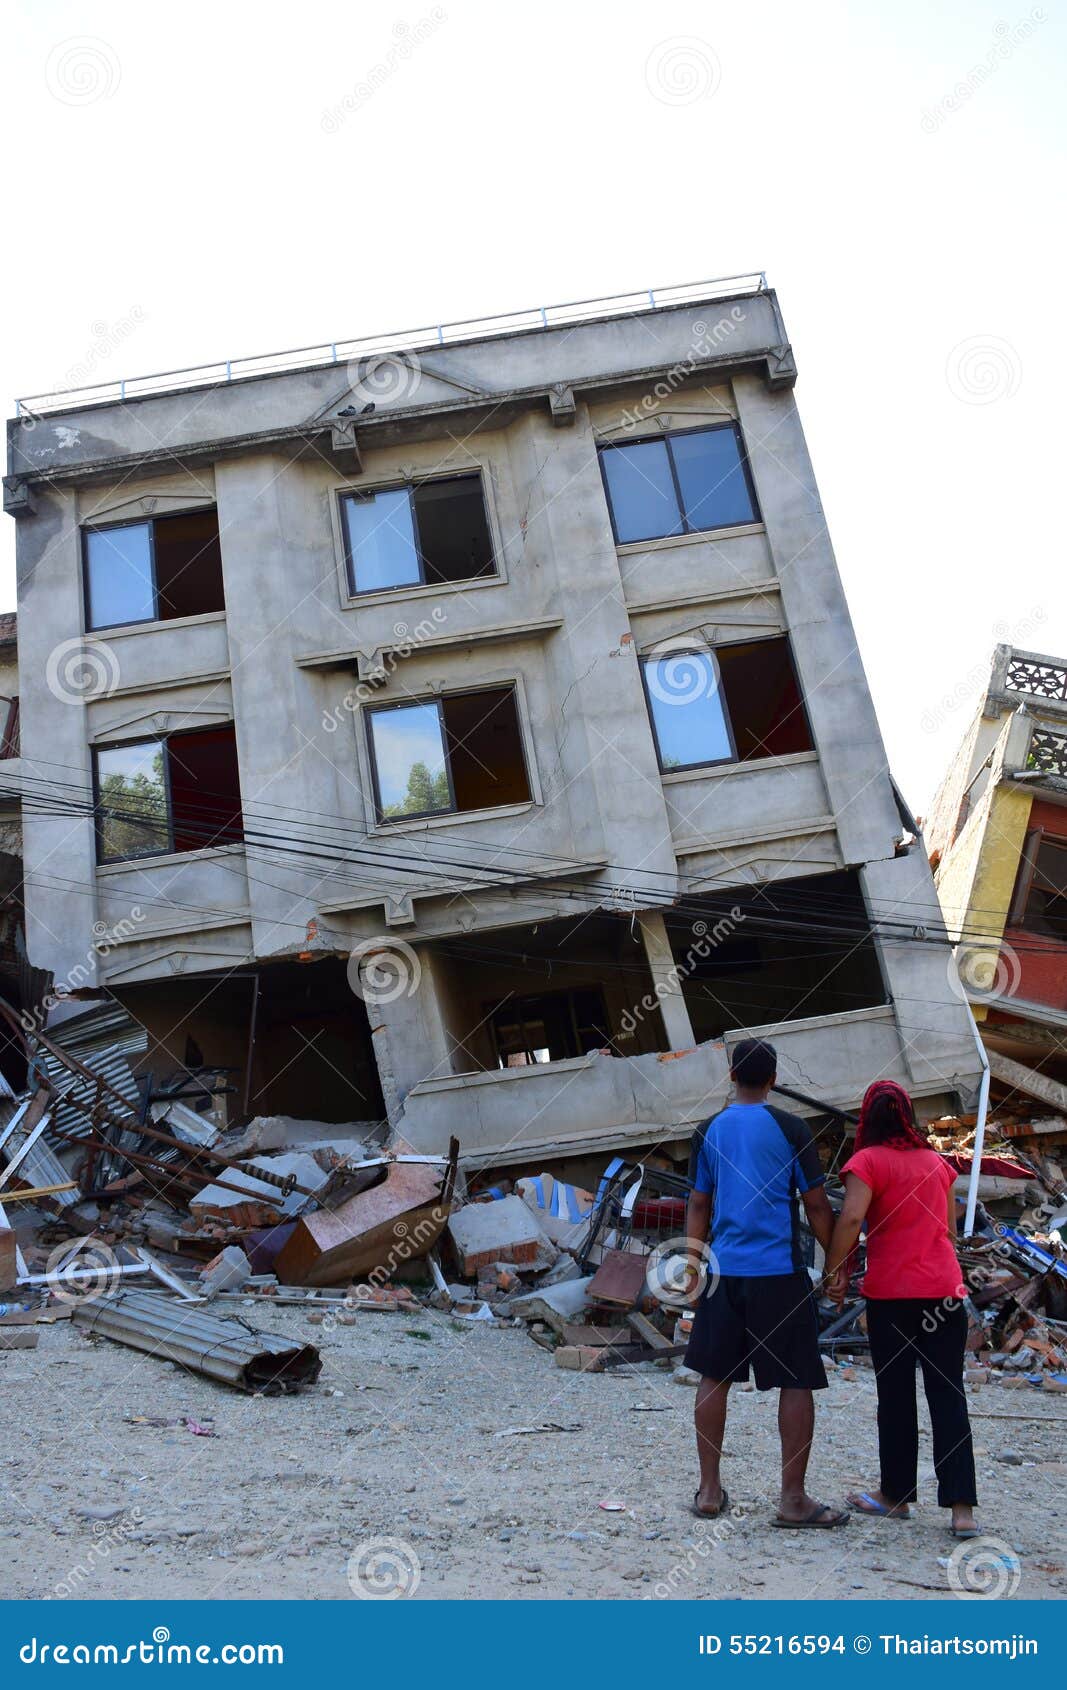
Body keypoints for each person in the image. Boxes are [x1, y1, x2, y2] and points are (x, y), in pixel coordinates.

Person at [683, 1038, 848, 1529]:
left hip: (724, 1273)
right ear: (773, 1079)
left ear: (731, 1075)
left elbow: (698, 1205)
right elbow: (818, 1206)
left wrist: (693, 1264)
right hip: (778, 1274)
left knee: (714, 1377)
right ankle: (791, 1499)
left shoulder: (708, 1130)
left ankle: (709, 1491)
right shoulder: (791, 1128)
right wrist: (836, 1266)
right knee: (796, 1380)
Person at [825, 1079, 978, 1539]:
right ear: (908, 1117)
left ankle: (895, 1496)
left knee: (895, 1395)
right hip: (945, 1293)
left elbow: (851, 1218)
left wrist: (835, 1271)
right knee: (948, 1394)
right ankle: (962, 1509)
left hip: (893, 1297)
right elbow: (949, 1233)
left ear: (868, 1119)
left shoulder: (866, 1162)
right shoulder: (938, 1164)